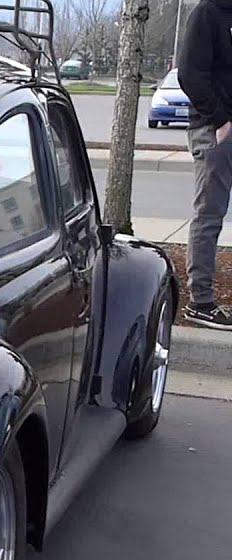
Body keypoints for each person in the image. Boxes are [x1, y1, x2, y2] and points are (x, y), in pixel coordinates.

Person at [178, 0, 232, 329]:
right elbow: (190, 74)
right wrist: (221, 120)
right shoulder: (207, 13)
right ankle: (200, 302)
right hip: (215, 130)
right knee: (209, 215)